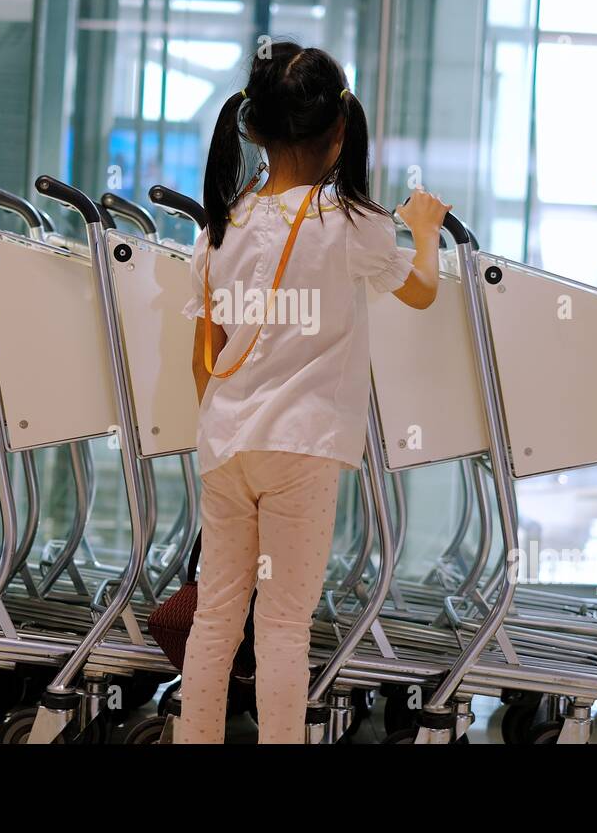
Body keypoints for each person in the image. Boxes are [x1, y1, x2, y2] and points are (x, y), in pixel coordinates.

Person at [176, 42, 450, 743]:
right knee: (284, 623)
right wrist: (422, 231)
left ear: (254, 130)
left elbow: (203, 354)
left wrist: (221, 423)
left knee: (216, 616)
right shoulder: (351, 223)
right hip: (303, 448)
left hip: (225, 444)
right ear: (339, 131)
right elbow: (419, 292)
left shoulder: (221, 224)